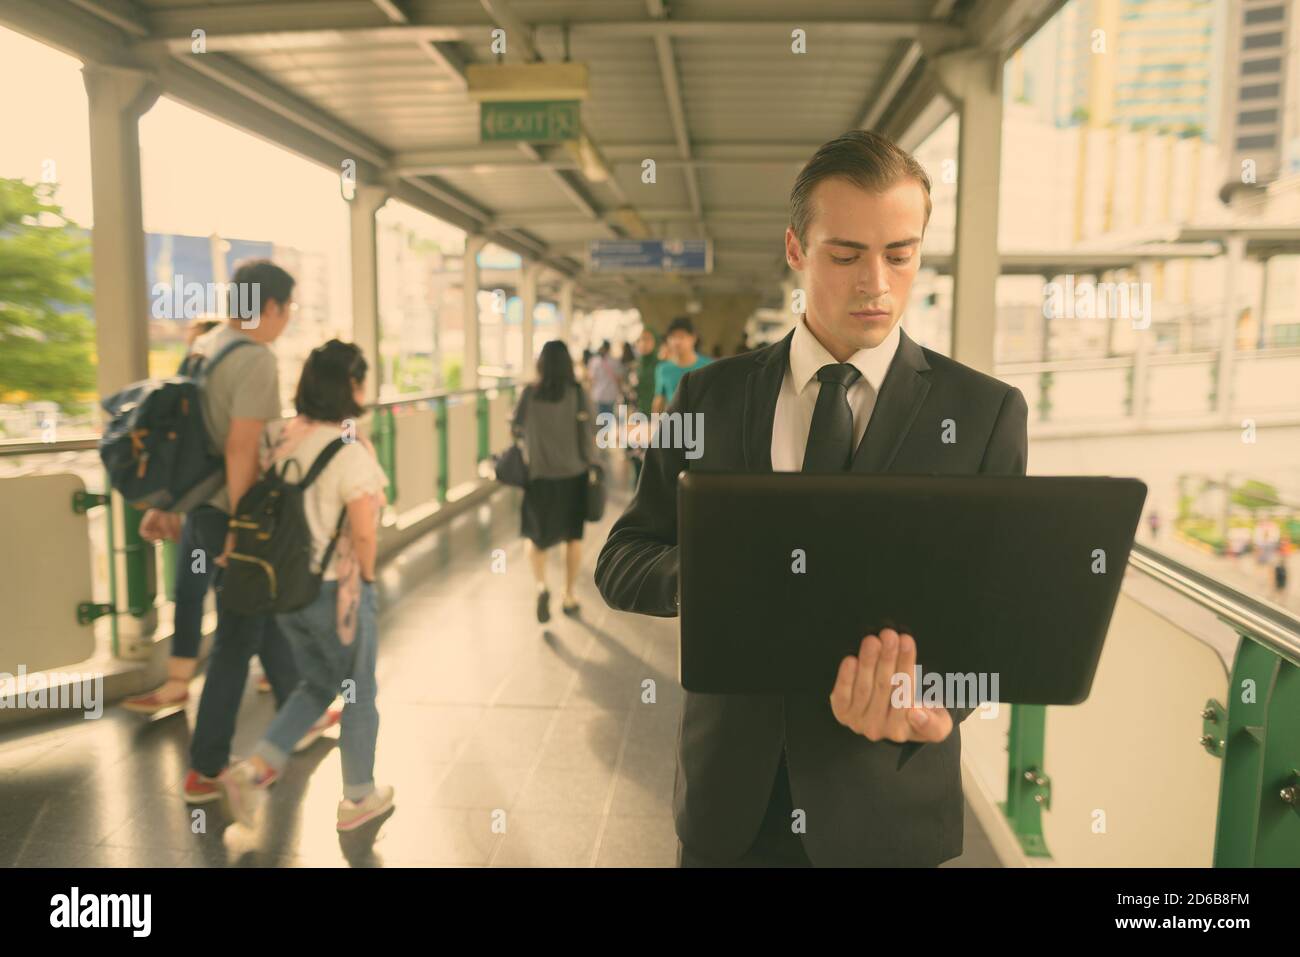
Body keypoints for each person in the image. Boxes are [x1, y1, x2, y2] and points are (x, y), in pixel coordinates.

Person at [595, 130, 1029, 867]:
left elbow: (1002, 614)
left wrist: (936, 704)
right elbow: (623, 558)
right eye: (846, 253)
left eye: (900, 253)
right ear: (796, 250)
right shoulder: (710, 395)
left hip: (887, 805)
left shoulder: (984, 413)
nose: (877, 283)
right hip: (730, 802)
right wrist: (712, 575)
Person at [138, 260, 337, 804]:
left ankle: (306, 711)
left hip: (201, 511)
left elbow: (183, 438)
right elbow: (239, 448)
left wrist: (168, 505)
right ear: (270, 307)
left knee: (262, 613)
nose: (287, 319)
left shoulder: (205, 348)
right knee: (236, 636)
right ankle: (203, 769)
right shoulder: (254, 360)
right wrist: (243, 530)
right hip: (231, 517)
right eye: (288, 308)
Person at [221, 340, 393, 832]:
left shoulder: (282, 436)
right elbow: (363, 531)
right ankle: (359, 797)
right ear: (351, 387)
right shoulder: (349, 449)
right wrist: (370, 579)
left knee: (318, 683)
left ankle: (254, 771)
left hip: (284, 591)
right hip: (335, 593)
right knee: (358, 690)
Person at [124, 317, 223, 716]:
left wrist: (165, 508)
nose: (192, 355)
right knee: (191, 592)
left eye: (197, 347)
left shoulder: (212, 398)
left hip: (219, 510)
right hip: (200, 511)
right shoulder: (190, 398)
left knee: (237, 600)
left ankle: (290, 683)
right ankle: (178, 682)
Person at [514, 339, 599, 623]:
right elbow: (590, 431)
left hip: (538, 476)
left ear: (541, 364)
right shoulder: (577, 393)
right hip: (573, 475)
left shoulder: (529, 393)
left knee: (536, 537)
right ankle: (569, 594)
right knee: (572, 536)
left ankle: (541, 586)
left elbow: (516, 427)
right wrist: (593, 463)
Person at [651, 316, 711, 414]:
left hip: (703, 423)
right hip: (675, 423)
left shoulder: (708, 365)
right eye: (672, 337)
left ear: (693, 338)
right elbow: (658, 401)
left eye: (681, 336)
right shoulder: (663, 369)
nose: (677, 342)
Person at [586, 340, 624, 421]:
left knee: (599, 419)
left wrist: (589, 392)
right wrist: (620, 391)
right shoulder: (614, 361)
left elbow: (591, 379)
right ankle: (607, 432)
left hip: (598, 395)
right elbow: (619, 378)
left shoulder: (594, 361)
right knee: (609, 418)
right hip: (611, 394)